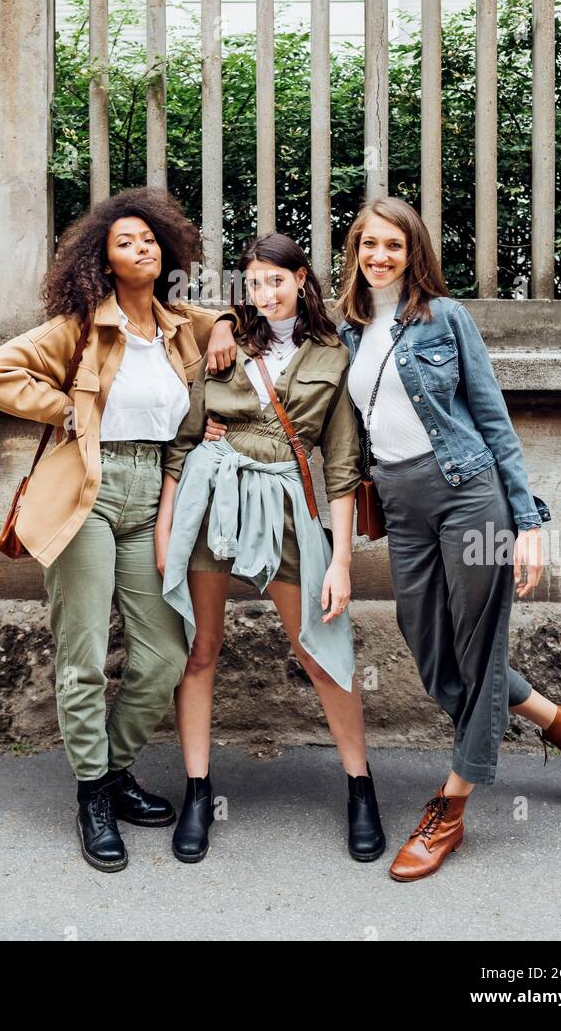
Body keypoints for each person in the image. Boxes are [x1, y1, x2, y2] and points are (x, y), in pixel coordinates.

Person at [337, 195, 561, 882]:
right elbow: (269, 311)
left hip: (469, 494)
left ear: (415, 254)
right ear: (355, 250)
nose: (381, 256)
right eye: (370, 244)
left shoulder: (446, 318)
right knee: (431, 650)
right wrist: (225, 319)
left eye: (395, 247)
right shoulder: (345, 329)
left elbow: (494, 421)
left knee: (481, 648)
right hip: (402, 506)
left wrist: (527, 524)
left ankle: (450, 809)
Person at [0, 186, 239, 873]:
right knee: (84, 655)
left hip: (155, 493)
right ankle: (94, 794)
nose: (141, 247)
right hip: (87, 491)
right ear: (104, 260)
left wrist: (230, 320)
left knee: (163, 657)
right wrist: (64, 409)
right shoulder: (80, 327)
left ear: (167, 250)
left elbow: (229, 318)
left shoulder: (181, 325)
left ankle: (111, 769)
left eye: (150, 239)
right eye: (125, 242)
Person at [155, 233, 386, 865]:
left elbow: (341, 464)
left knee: (318, 646)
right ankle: (198, 791)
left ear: (302, 279)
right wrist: (165, 526)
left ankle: (360, 787)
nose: (265, 293)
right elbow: (184, 440)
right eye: (252, 284)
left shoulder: (334, 356)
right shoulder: (225, 340)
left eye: (275, 281)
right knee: (200, 650)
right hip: (212, 496)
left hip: (287, 506)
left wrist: (339, 560)